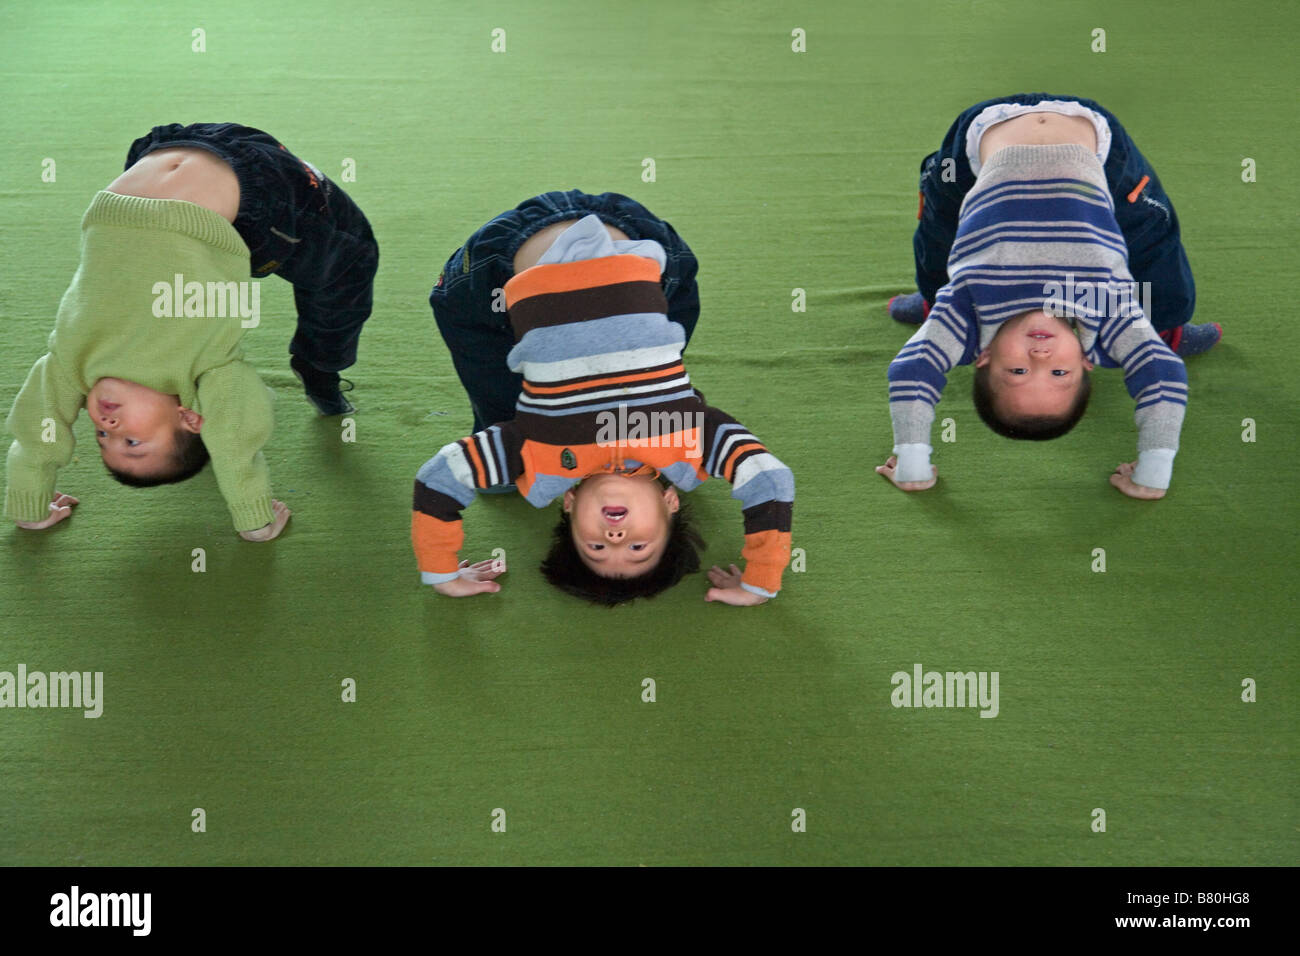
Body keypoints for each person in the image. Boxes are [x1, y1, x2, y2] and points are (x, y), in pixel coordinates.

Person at [4, 123, 378, 540]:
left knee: (302, 252)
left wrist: (30, 506)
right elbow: (234, 443)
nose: (108, 424)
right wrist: (256, 520)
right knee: (352, 258)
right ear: (190, 418)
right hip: (254, 192)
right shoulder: (206, 372)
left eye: (101, 436)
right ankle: (320, 370)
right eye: (131, 441)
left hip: (169, 145)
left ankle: (299, 183)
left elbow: (39, 429)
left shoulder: (73, 367)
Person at [415, 193, 793, 604]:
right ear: (670, 503)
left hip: (497, 274)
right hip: (648, 254)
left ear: (569, 505)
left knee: (499, 442)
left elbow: (439, 479)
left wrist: (442, 571)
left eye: (596, 548)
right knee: (658, 338)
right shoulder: (691, 445)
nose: (615, 537)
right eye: (637, 549)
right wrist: (760, 581)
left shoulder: (533, 458)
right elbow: (770, 480)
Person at [878, 95, 1214, 499]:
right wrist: (1153, 470)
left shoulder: (968, 315)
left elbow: (912, 371)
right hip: (1094, 140)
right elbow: (1162, 376)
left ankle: (929, 302)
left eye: (1016, 372)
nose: (1040, 360)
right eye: (1060, 374)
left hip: (980, 135)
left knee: (938, 224)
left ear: (982, 358)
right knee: (1154, 240)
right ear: (1087, 362)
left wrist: (912, 461)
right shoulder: (1106, 311)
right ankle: (1167, 329)